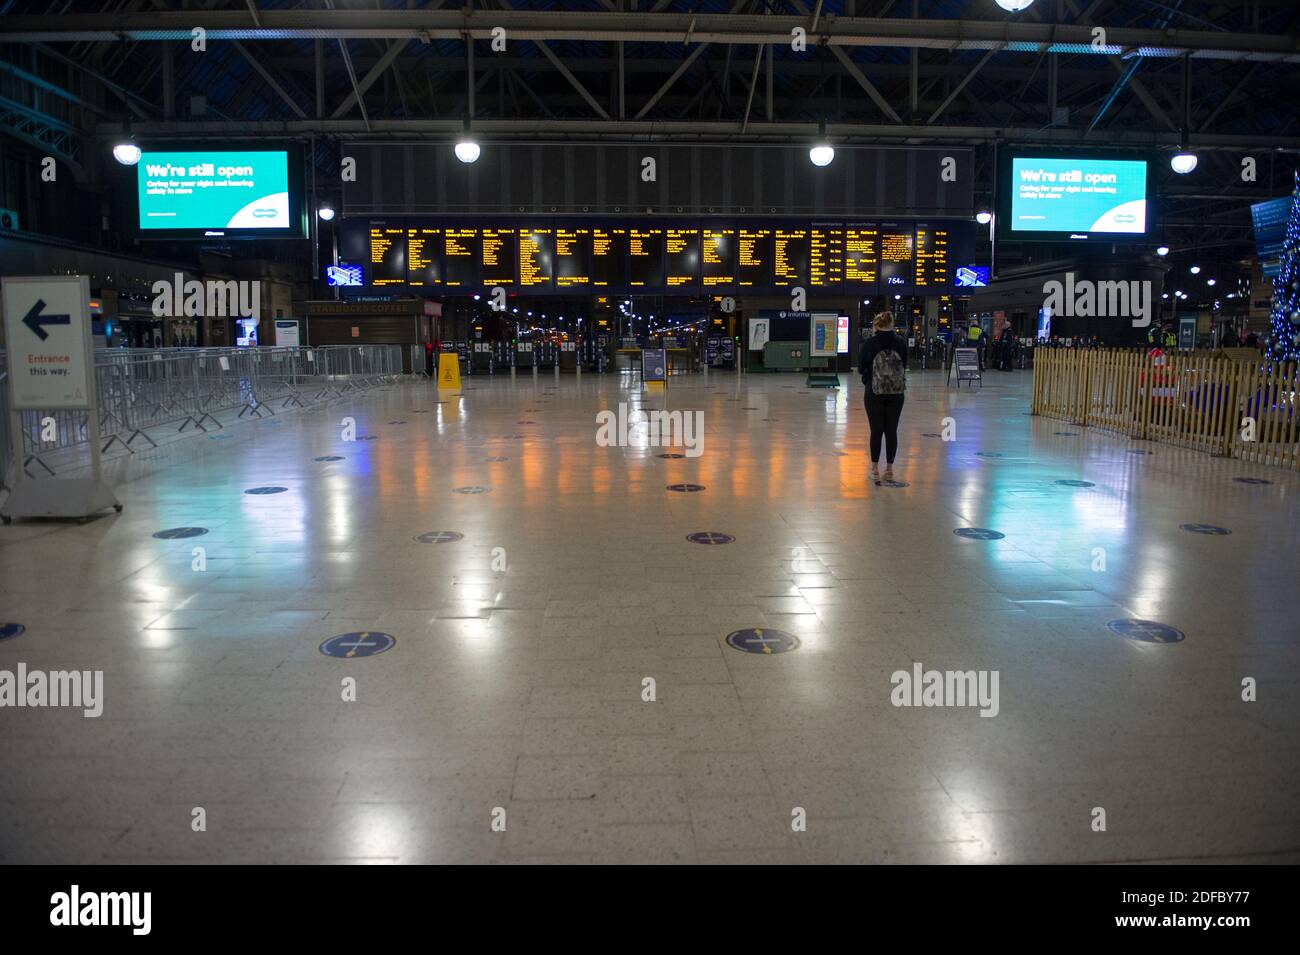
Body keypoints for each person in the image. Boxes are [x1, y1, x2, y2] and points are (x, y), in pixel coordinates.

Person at [859, 311, 908, 485]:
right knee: (891, 431)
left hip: (874, 392)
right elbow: (905, 364)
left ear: (876, 325)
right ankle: (889, 470)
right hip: (896, 393)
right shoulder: (901, 343)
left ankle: (874, 470)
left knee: (876, 431)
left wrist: (869, 379)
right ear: (892, 324)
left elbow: (861, 367)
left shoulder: (870, 343)